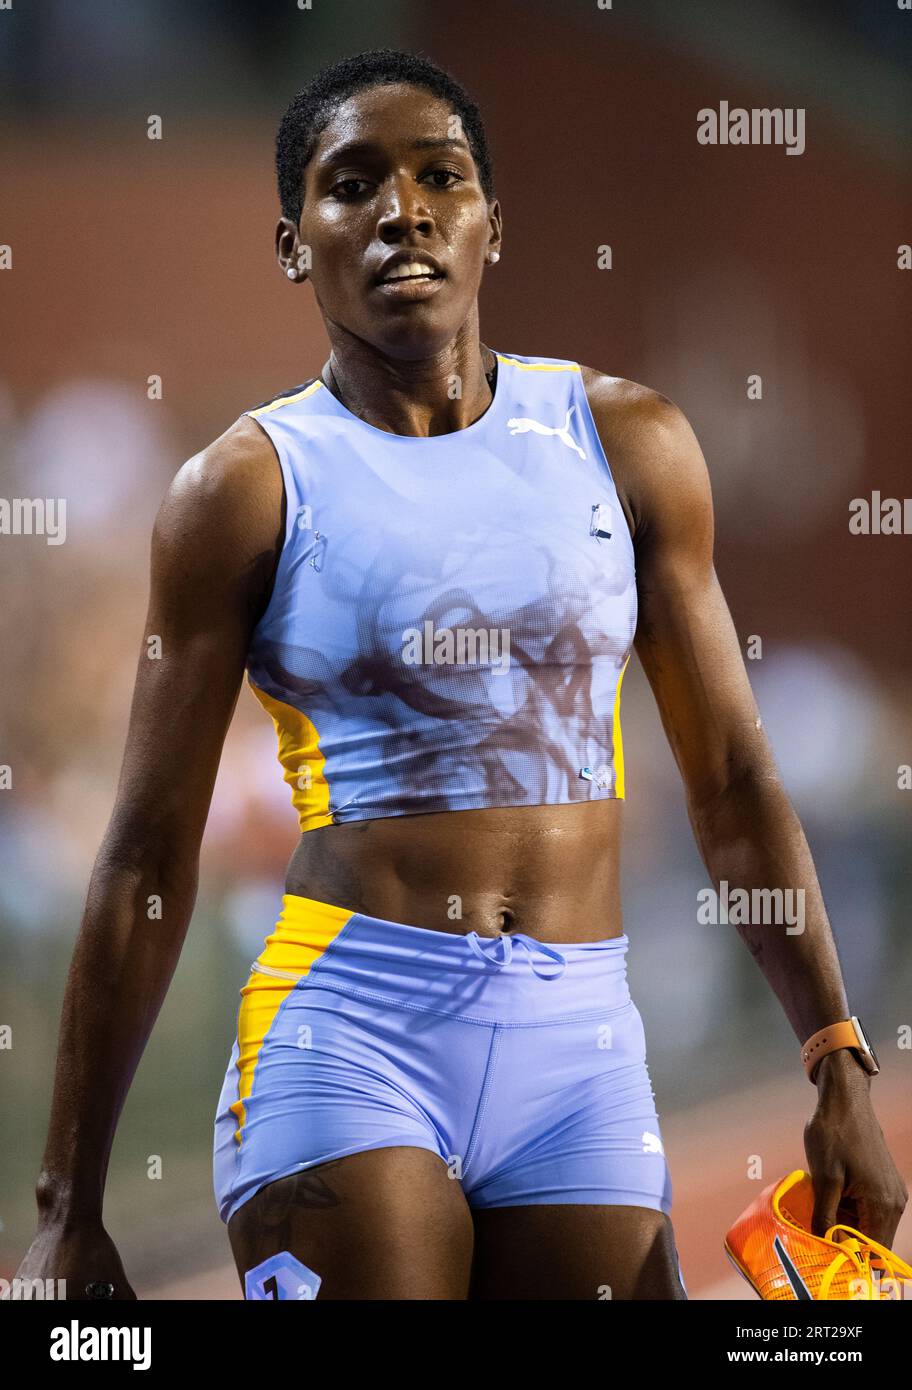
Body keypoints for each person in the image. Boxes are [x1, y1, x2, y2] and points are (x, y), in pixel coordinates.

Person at [16, 48, 906, 1302]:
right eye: (354, 184)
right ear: (293, 242)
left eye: (443, 177)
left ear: (494, 224)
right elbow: (144, 854)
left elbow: (736, 778)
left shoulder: (627, 442)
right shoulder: (244, 489)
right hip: (349, 1039)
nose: (405, 211)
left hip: (580, 1045)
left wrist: (836, 1056)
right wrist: (66, 1206)